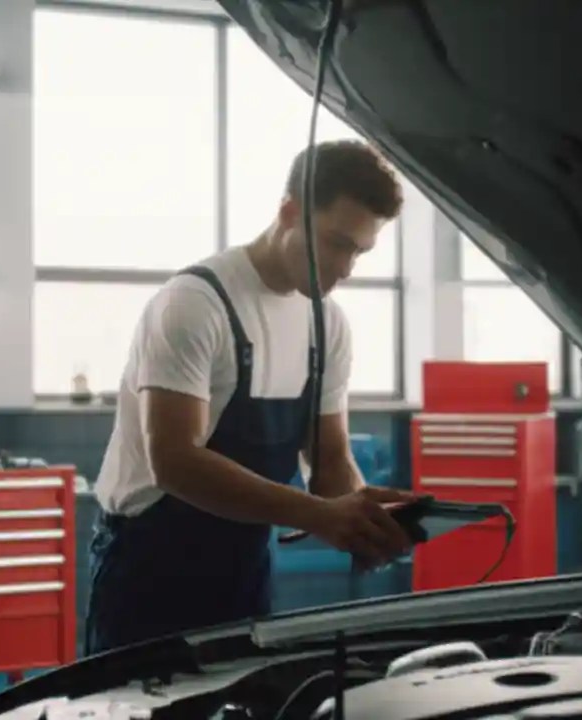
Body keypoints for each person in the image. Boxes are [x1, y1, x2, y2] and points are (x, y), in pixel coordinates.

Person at [84, 140, 417, 654]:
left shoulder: (325, 325)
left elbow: (328, 459)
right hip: (149, 570)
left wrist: (363, 519)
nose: (346, 268)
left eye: (359, 251)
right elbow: (174, 461)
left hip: (245, 567)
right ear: (289, 212)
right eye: (335, 243)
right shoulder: (196, 303)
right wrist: (321, 516)